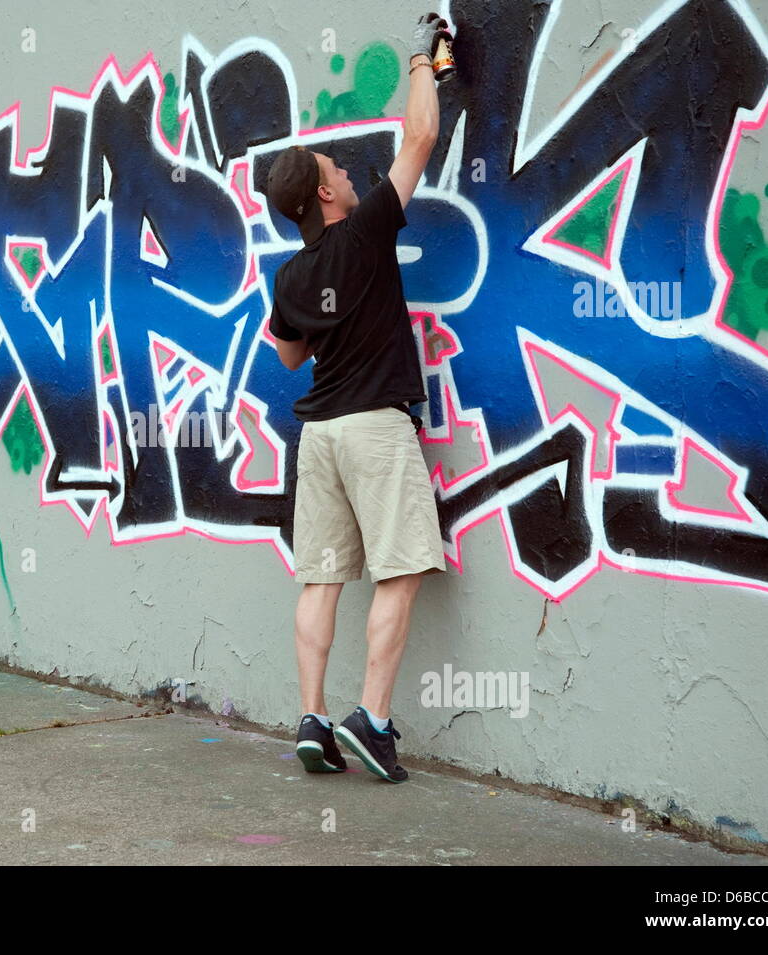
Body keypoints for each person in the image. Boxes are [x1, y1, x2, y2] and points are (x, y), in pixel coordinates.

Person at [266, 15, 447, 782]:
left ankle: (312, 716)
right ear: (327, 194)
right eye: (334, 166)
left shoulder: (290, 275)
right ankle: (371, 721)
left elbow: (288, 355)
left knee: (322, 578)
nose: (344, 168)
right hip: (375, 428)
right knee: (400, 569)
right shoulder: (368, 228)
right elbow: (419, 140)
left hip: (322, 439)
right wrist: (423, 60)